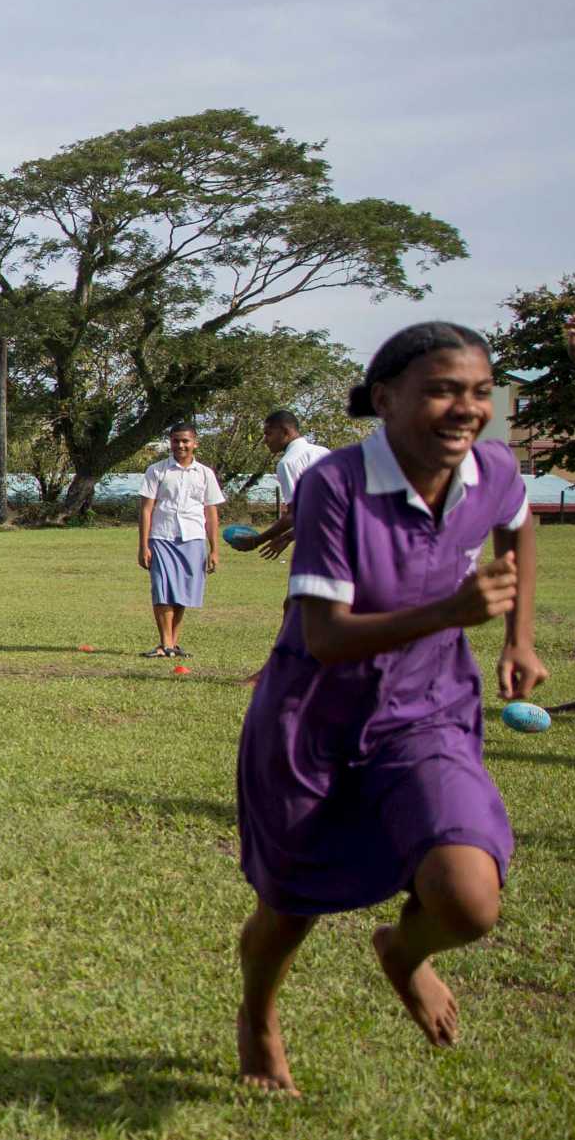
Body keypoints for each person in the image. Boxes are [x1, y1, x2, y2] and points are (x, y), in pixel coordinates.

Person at [232, 323, 542, 1095]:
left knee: (469, 901)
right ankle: (259, 1018)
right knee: (289, 904)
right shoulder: (335, 485)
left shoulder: (492, 468)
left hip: (427, 711)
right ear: (386, 398)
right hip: (316, 715)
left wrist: (520, 636)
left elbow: (519, 520)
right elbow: (326, 636)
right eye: (442, 390)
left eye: (478, 392)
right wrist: (452, 610)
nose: (465, 408)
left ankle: (403, 951)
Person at [136, 423, 222, 658]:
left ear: (195, 443)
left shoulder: (205, 473)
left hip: (193, 538)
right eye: (176, 441)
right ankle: (165, 643)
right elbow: (146, 510)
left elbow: (211, 513)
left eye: (185, 441)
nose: (181, 445)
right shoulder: (157, 470)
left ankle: (173, 643)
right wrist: (143, 545)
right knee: (162, 589)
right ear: (170, 442)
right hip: (162, 536)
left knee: (182, 592)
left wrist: (214, 550)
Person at [233, 409, 330, 562]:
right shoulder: (323, 452)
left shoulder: (289, 462)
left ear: (285, 432)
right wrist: (288, 536)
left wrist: (257, 541)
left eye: (268, 433)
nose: (265, 440)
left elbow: (294, 515)